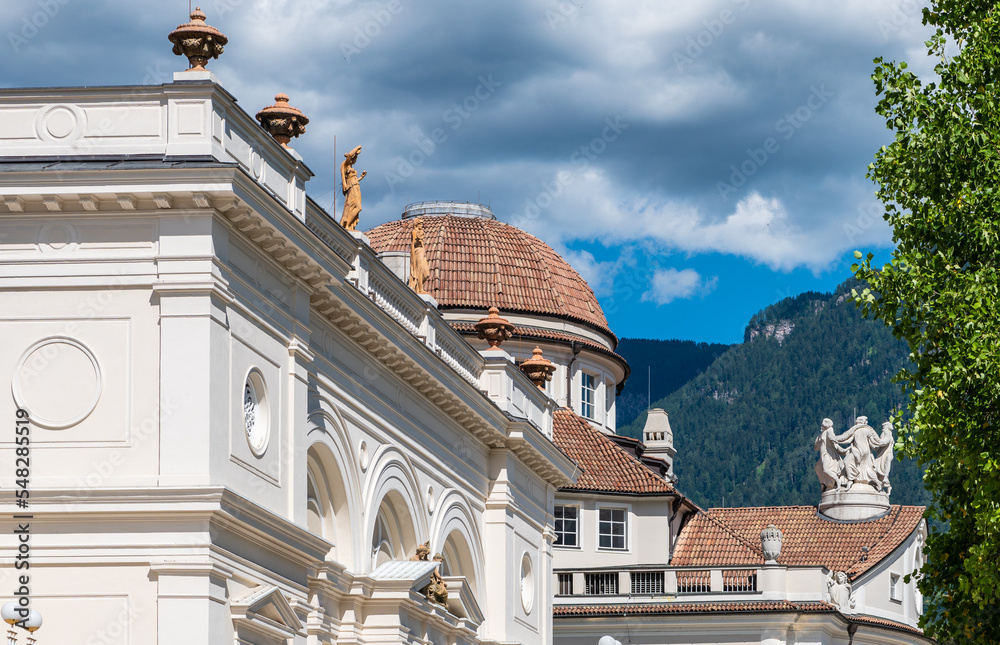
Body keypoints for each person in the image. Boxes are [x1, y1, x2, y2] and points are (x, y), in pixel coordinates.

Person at [814, 418, 847, 491]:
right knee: (817, 467)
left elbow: (834, 440)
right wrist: (817, 439)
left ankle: (837, 480)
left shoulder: (829, 430)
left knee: (826, 469)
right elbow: (816, 447)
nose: (821, 426)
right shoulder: (822, 434)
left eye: (822, 425)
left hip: (828, 454)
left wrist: (843, 449)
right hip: (823, 455)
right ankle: (823, 483)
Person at [339, 145, 366, 231]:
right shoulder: (345, 165)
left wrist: (361, 177)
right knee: (358, 207)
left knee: (357, 207)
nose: (355, 159)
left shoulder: (351, 167)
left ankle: (349, 225)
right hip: (352, 188)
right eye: (355, 157)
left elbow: (354, 180)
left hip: (356, 187)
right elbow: (350, 155)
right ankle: (347, 225)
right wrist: (358, 147)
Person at [874, 421, 894, 494]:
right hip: (882, 455)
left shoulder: (887, 433)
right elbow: (879, 447)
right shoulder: (886, 433)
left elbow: (883, 442)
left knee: (881, 469)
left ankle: (885, 481)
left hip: (885, 455)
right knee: (879, 470)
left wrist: (873, 440)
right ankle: (885, 485)